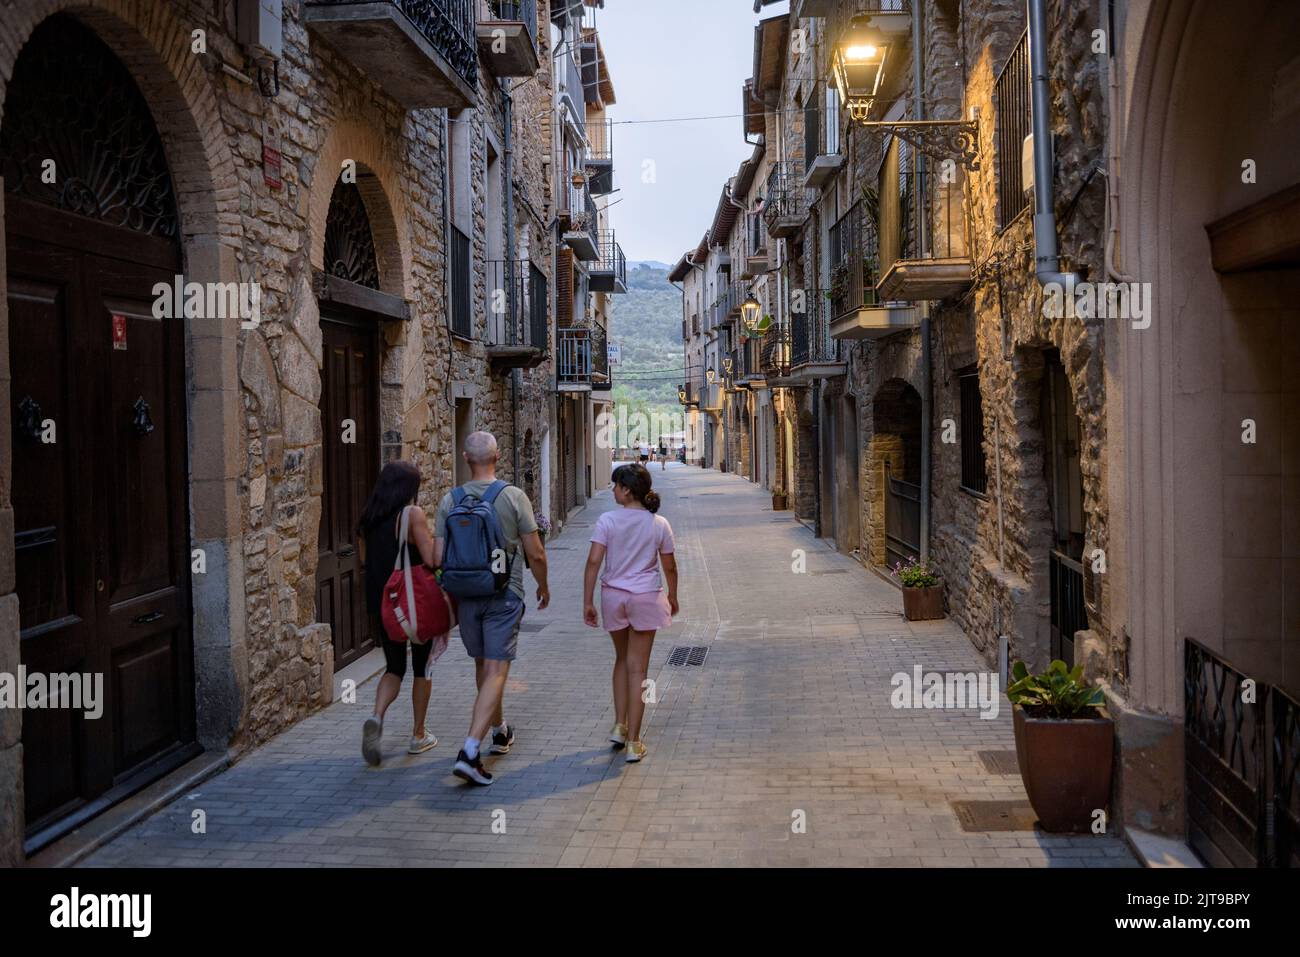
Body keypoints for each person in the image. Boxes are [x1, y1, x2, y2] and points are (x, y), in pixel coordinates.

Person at [435, 431, 549, 786]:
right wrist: (544, 586)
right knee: (498, 669)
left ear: (466, 459)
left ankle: (499, 731)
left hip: (467, 597)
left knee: (484, 666)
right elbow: (536, 552)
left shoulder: (448, 501)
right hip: (505, 594)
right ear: (497, 456)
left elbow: (438, 558)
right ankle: (470, 750)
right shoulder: (514, 497)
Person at [583, 464, 678, 763]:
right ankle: (634, 743)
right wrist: (673, 595)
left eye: (615, 486)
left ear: (626, 490)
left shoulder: (607, 521)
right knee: (639, 669)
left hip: (614, 597)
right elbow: (670, 566)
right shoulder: (659, 524)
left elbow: (593, 562)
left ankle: (619, 725)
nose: (612, 490)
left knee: (621, 660)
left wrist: (588, 601)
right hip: (646, 598)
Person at [358, 460, 441, 766]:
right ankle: (419, 735)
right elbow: (431, 558)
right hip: (412, 603)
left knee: (394, 668)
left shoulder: (367, 519)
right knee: (422, 667)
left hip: (383, 604)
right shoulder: (411, 515)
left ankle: (377, 718)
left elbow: (366, 562)